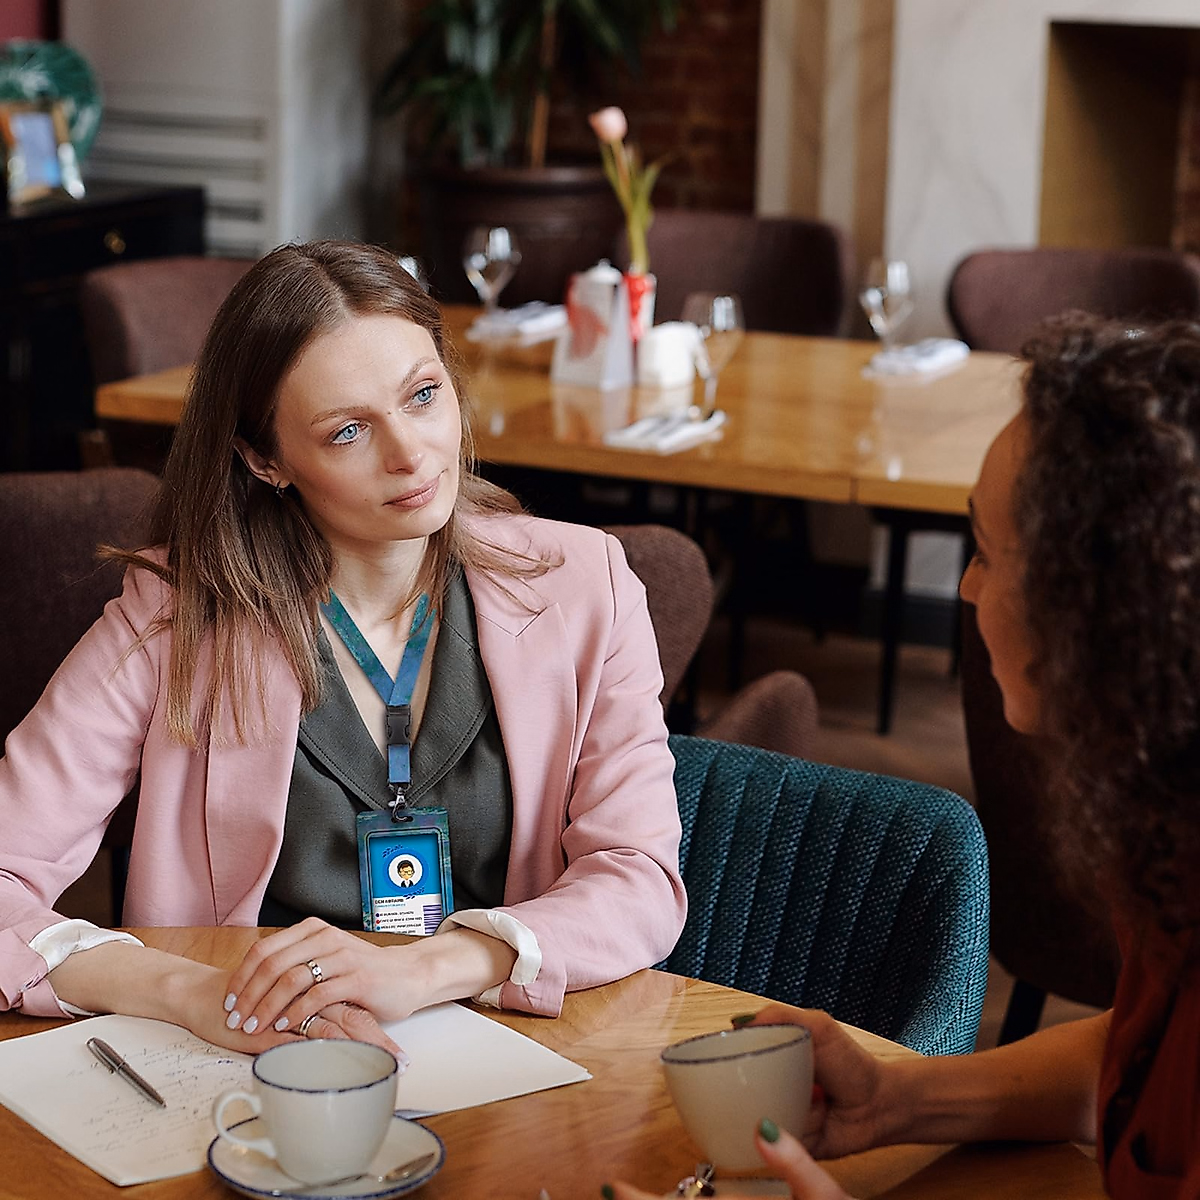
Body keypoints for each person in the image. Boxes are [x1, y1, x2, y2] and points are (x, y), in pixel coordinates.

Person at [0, 240, 686, 1061]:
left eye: (424, 395)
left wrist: (434, 966)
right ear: (264, 459)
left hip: (508, 1051)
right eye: (349, 430)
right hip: (250, 1063)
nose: (410, 454)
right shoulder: (177, 613)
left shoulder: (587, 584)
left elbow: (639, 879)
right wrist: (186, 991)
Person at [618, 314, 1200, 1200]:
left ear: (1102, 621)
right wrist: (900, 1099)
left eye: (988, 554)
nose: (965, 589)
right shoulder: (1172, 829)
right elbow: (1140, 1054)